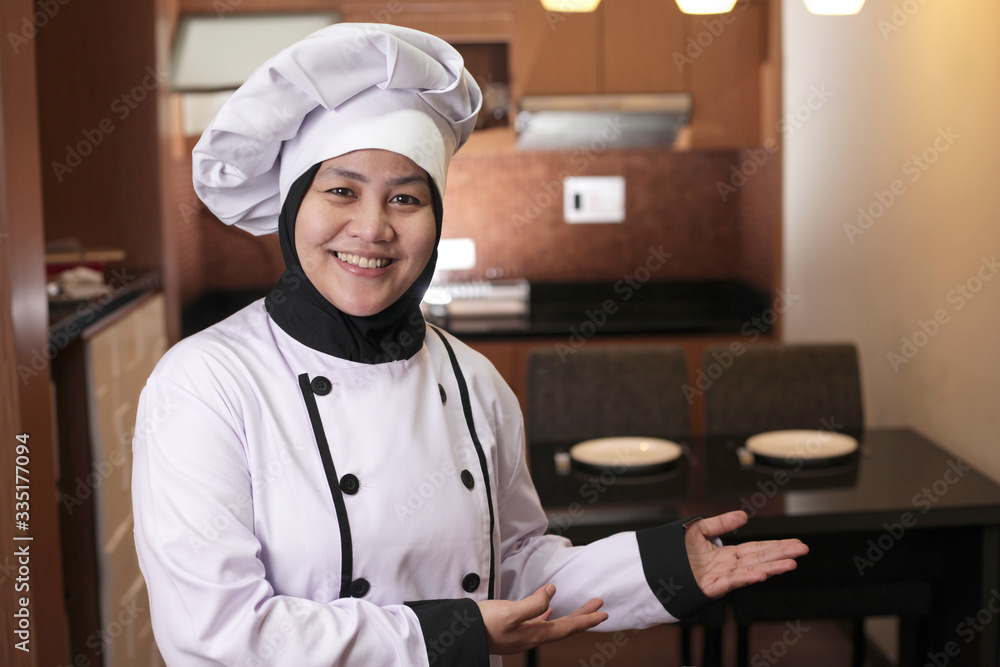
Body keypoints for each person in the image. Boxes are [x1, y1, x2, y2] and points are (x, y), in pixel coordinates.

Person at [131, 22, 808, 666]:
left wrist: (659, 565)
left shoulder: (473, 377)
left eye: (405, 198)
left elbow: (514, 568)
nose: (372, 228)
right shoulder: (204, 383)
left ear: (434, 218)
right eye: (341, 190)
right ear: (292, 208)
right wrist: (450, 631)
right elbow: (217, 635)